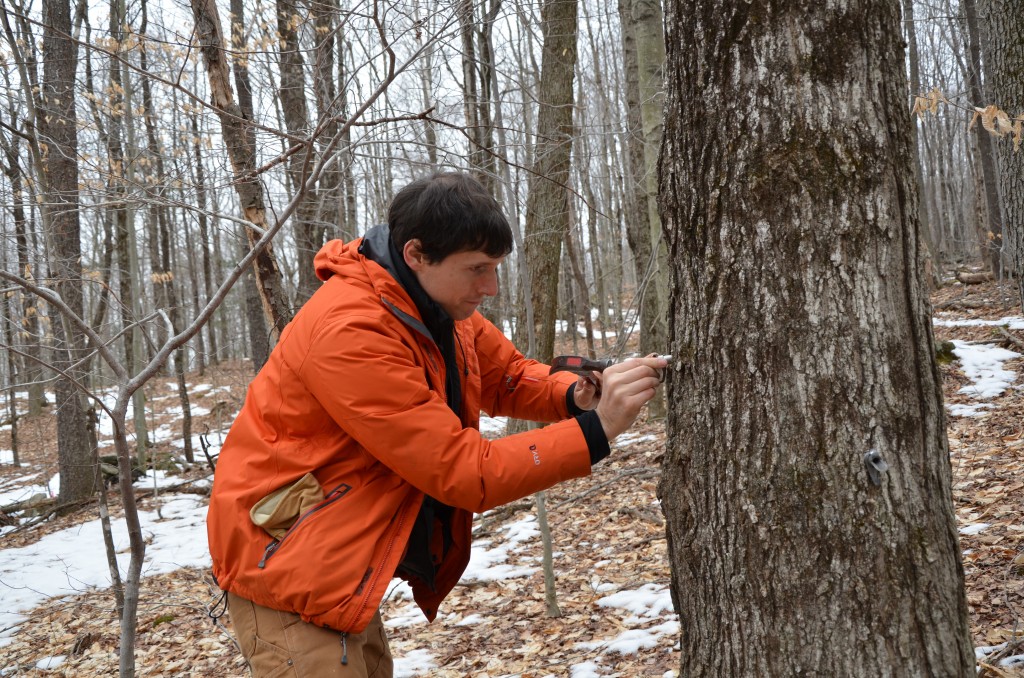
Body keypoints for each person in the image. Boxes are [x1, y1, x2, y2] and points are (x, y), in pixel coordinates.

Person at [206, 172, 666, 677]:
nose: (490, 287)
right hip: (288, 562)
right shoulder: (351, 331)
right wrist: (596, 429)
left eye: (494, 268)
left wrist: (575, 394)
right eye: (477, 269)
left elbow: (506, 376)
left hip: (336, 555)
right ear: (416, 254)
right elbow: (465, 471)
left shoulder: (438, 304)